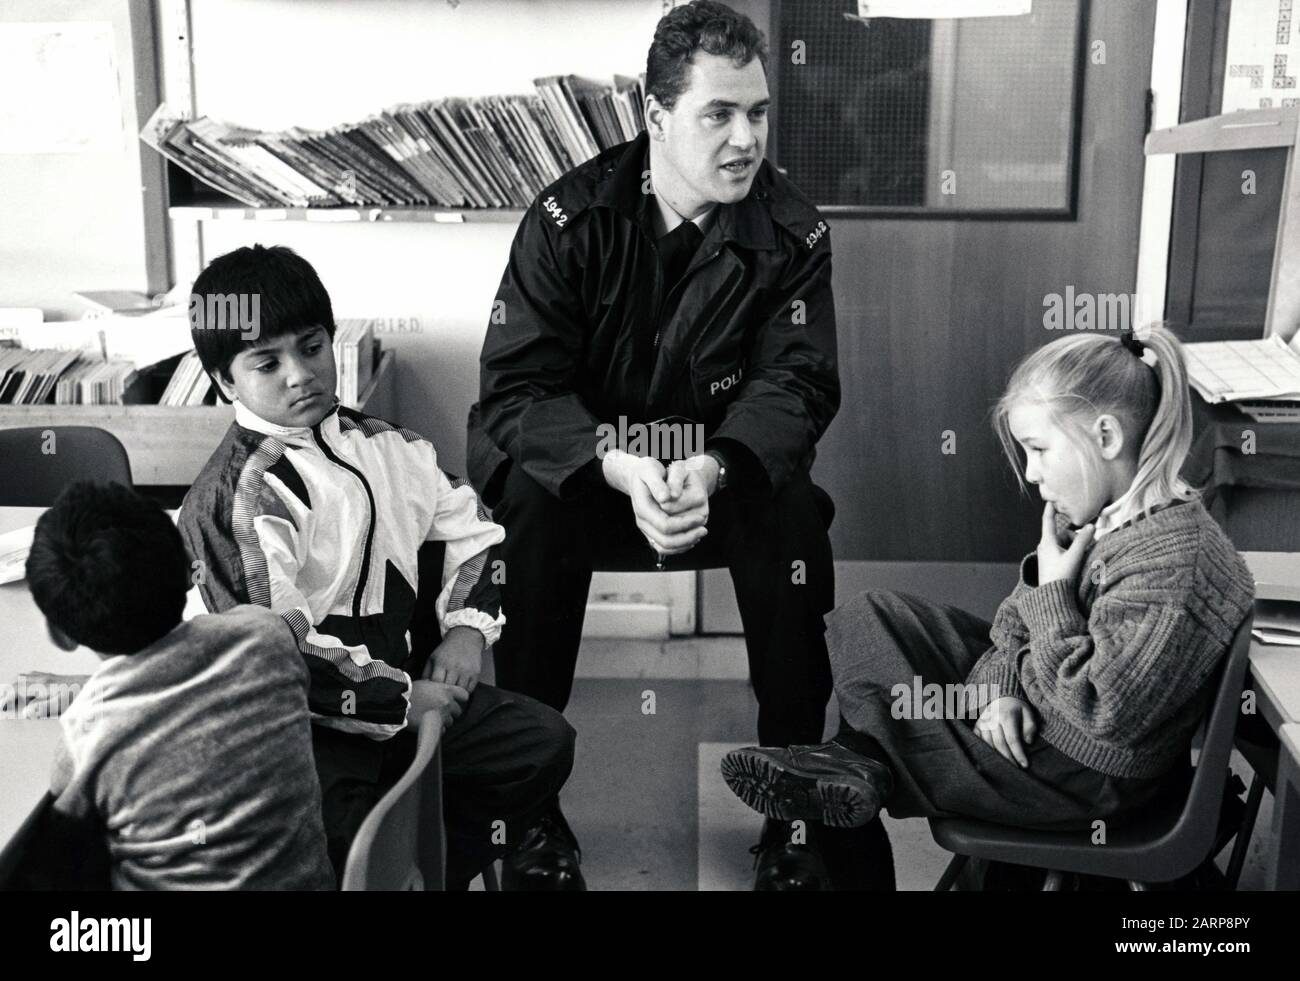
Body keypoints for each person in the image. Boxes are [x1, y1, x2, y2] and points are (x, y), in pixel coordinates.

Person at [466, 0, 844, 889]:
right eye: (718, 114)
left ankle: (792, 806)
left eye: (757, 113)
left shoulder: (795, 229)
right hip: (594, 476)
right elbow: (515, 388)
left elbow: (798, 384)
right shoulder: (569, 218)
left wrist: (712, 469)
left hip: (718, 474)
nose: (746, 138)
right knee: (523, 504)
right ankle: (527, 814)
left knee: (792, 520)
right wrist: (616, 462)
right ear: (657, 117)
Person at [722, 326, 1256, 888]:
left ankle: (852, 766)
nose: (1031, 473)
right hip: (1035, 716)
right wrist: (999, 689)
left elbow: (1102, 712)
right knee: (871, 614)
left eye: (1039, 449)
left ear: (1105, 436)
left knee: (881, 739)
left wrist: (1052, 591)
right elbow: (1012, 624)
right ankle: (854, 762)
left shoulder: (1172, 562)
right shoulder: (1101, 517)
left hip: (1078, 775)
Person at [178, 244, 577, 889]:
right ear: (226, 382)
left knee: (540, 744)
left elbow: (480, 535)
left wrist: (468, 631)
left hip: (407, 688)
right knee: (352, 852)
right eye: (266, 363)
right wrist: (402, 698)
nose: (299, 375)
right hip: (304, 726)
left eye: (311, 348)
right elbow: (272, 656)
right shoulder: (236, 501)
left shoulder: (390, 447)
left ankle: (435, 861)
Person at [21, 480, 335, 889]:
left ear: (60, 637)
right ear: (191, 567)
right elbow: (189, 691)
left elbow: (62, 838)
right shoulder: (268, 637)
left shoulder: (88, 737)